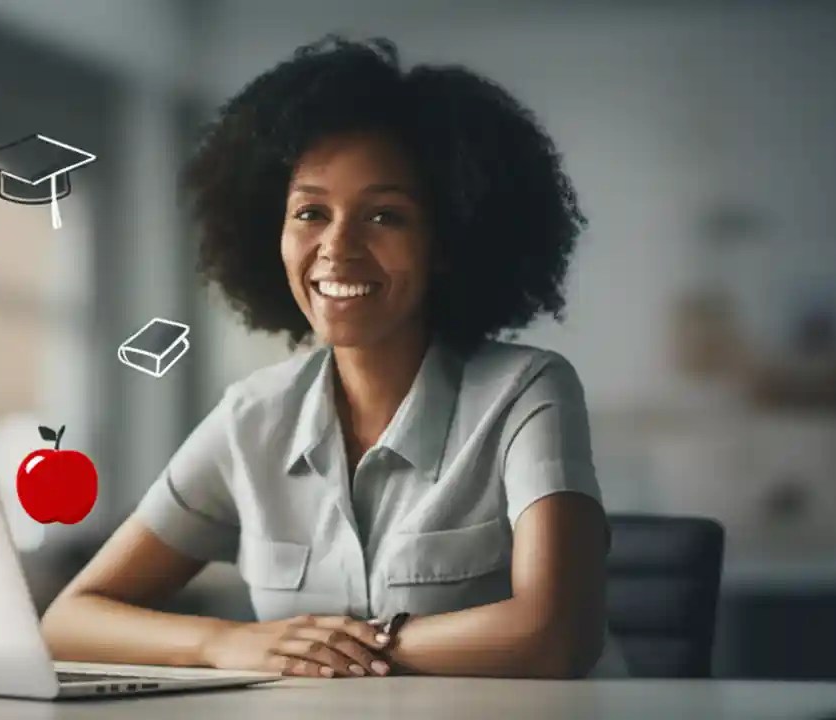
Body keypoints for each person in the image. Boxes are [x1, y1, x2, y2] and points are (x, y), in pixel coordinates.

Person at [41, 36, 627, 679]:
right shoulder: (252, 417)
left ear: (449, 240)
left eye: (384, 216)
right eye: (311, 211)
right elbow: (70, 619)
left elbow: (555, 633)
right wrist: (226, 644)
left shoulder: (527, 391)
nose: (337, 246)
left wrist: (345, 649)